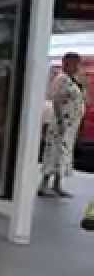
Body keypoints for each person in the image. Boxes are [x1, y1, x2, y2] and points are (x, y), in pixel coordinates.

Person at [40, 52, 88, 197]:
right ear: (66, 63)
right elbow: (56, 100)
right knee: (53, 154)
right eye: (75, 63)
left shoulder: (73, 80)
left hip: (70, 127)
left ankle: (57, 185)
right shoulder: (62, 79)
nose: (77, 66)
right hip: (60, 125)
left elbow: (82, 99)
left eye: (78, 64)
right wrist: (61, 121)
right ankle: (43, 185)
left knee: (63, 156)